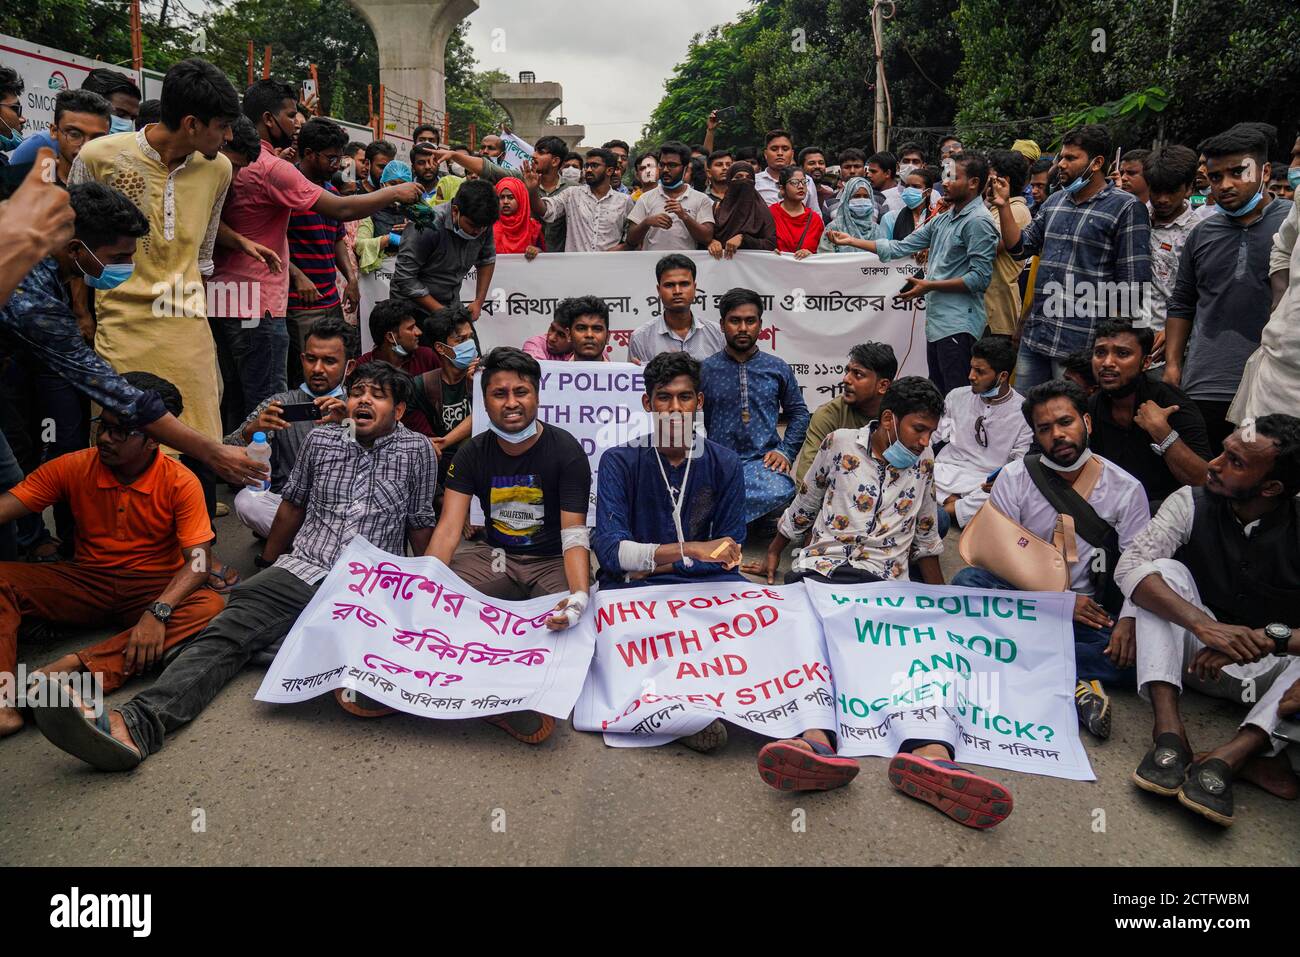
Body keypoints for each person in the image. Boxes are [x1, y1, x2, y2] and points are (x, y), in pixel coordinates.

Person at [33, 362, 438, 770]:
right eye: (358, 392)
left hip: (368, 584)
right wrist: (267, 564)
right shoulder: (321, 440)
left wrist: (425, 590)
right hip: (303, 567)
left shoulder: (419, 450)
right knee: (227, 630)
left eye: (378, 394)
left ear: (399, 410)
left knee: (369, 651)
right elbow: (292, 507)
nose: (364, 399)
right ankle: (135, 723)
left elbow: (421, 523)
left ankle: (284, 649)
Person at [67, 59, 267, 504]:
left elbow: (202, 256)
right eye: (222, 126)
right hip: (121, 328)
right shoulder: (100, 157)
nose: (229, 137)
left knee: (199, 444)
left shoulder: (218, 170)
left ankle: (196, 549)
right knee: (122, 444)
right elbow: (75, 247)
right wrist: (83, 313)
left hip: (188, 329)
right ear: (192, 124)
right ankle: (123, 557)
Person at [745, 377, 949, 798]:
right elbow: (805, 500)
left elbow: (926, 536)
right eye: (919, 429)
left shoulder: (924, 463)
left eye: (931, 432)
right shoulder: (839, 443)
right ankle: (815, 743)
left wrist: (941, 603)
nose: (925, 440)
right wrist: (775, 550)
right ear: (889, 420)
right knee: (806, 644)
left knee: (915, 657)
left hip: (883, 583)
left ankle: (932, 756)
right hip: (821, 572)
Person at [0, 181, 265, 498]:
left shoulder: (33, 248)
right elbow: (112, 390)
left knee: (9, 478)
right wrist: (212, 452)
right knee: (9, 480)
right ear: (74, 249)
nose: (127, 266)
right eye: (118, 256)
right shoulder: (31, 296)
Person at [0, 372, 223, 737]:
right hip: (86, 581)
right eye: (102, 425)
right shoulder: (73, 466)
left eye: (120, 431)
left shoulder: (181, 481)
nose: (105, 437)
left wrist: (159, 610)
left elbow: (199, 563)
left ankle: (69, 670)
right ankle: (3, 701)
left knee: (209, 606)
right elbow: (9, 506)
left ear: (155, 440)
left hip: (150, 589)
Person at [1119, 414, 1300, 825]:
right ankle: (1169, 732)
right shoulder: (1189, 499)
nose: (1214, 464)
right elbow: (1129, 566)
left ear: (1271, 487)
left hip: (1275, 675)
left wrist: (1268, 640)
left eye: (1235, 462)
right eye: (1223, 450)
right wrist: (1203, 625)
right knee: (1161, 573)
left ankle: (1231, 757)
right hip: (1198, 660)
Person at [951, 379, 1151, 739]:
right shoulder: (1015, 477)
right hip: (1026, 601)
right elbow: (1002, 559)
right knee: (967, 584)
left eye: (1066, 423)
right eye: (1045, 429)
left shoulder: (1126, 488)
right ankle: (1073, 676)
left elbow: (1141, 565)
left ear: (1086, 424)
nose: (1057, 435)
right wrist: (1057, 602)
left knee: (1136, 656)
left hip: (1088, 613)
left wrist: (1129, 620)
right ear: (1035, 434)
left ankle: (1005, 656)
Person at [211, 80, 420, 420]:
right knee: (269, 406)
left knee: (234, 399)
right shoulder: (270, 168)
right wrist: (394, 194)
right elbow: (341, 209)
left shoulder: (224, 162)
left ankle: (231, 468)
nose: (297, 122)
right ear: (268, 118)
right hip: (260, 300)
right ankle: (270, 472)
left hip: (222, 296)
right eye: (291, 114)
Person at [424, 347, 590, 744]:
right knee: (434, 608)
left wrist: (580, 596)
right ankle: (485, 695)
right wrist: (425, 583)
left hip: (552, 561)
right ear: (484, 401)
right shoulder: (469, 454)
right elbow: (448, 529)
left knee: (580, 630)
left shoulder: (566, 451)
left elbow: (574, 535)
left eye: (521, 392)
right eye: (500, 394)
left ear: (537, 395)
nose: (511, 403)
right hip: (495, 559)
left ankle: (516, 696)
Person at [992, 124, 1153, 390]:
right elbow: (1020, 247)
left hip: (1082, 346)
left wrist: (1111, 350)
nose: (1061, 165)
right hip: (1038, 337)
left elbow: (1132, 288)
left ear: (1097, 162)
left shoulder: (1126, 207)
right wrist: (1003, 205)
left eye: (1070, 158)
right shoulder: (1055, 202)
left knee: (1071, 422)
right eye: (1061, 157)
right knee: (1026, 417)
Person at [1164, 124, 1292, 456]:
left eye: (1238, 172)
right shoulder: (1201, 233)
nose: (1225, 185)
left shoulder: (1291, 226)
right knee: (1207, 479)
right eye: (1216, 176)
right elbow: (1182, 303)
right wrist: (1174, 364)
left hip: (1271, 385)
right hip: (1204, 382)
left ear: (1264, 171)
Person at [832, 152, 998, 397]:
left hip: (959, 326)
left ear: (973, 183)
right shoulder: (945, 218)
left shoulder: (978, 221)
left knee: (958, 398)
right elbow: (900, 246)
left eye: (952, 176)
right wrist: (852, 241)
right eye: (945, 176)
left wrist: (930, 285)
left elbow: (980, 279)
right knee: (941, 395)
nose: (946, 182)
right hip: (939, 324)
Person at [226, 316, 354, 537]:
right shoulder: (279, 403)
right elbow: (226, 450)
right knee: (248, 501)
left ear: (349, 366)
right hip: (293, 507)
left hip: (347, 509)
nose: (317, 369)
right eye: (311, 359)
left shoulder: (360, 403)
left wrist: (349, 422)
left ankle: (299, 543)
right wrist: (253, 430)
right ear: (302, 358)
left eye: (329, 361)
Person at [700, 288, 810, 526]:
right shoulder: (705, 370)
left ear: (760, 325)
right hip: (717, 463)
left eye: (750, 321)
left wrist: (786, 451)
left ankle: (721, 521)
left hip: (761, 465)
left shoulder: (776, 368)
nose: (742, 328)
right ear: (722, 324)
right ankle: (750, 522)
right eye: (735, 321)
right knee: (693, 492)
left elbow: (799, 413)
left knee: (781, 490)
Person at [1087, 320, 1210, 508]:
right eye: (1100, 353)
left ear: (1145, 362)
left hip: (1171, 511)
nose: (1107, 363)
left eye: (1122, 354)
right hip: (1113, 510)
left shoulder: (1172, 403)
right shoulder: (1091, 407)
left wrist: (1164, 434)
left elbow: (1204, 481)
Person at [284, 118, 361, 387]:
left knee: (335, 375)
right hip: (300, 304)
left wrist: (350, 279)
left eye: (339, 158)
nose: (337, 165)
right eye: (331, 158)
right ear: (308, 154)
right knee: (306, 378)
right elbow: (269, 241)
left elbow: (337, 238)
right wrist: (296, 275)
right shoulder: (285, 186)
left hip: (330, 299)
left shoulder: (330, 191)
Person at [1230, 135, 1300, 425]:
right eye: (1295, 155)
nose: (1295, 166)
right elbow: (1283, 247)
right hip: (1278, 369)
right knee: (1258, 460)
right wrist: (1281, 307)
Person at [932, 335, 1032, 534]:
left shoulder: (1024, 412)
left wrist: (999, 482)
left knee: (1009, 496)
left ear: (1002, 376)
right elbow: (934, 436)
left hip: (983, 484)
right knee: (919, 470)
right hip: (945, 472)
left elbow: (1018, 464)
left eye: (979, 371)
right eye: (971, 368)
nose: (971, 376)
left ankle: (945, 509)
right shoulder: (957, 396)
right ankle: (958, 509)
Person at [430, 136, 572, 252]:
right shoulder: (520, 179)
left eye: (541, 152)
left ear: (555, 161)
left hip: (558, 265)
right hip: (521, 260)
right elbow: (488, 169)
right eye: (535, 151)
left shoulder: (572, 191)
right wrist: (455, 156)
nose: (534, 156)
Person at [392, 178, 499, 322]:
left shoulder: (482, 222)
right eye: (472, 225)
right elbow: (404, 277)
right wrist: (443, 314)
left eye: (483, 227)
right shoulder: (426, 225)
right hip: (411, 310)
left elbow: (487, 259)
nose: (477, 232)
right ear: (455, 211)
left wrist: (479, 301)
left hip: (451, 305)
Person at [794, 342, 897, 482]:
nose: (846, 379)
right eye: (847, 371)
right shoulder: (829, 415)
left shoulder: (900, 418)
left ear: (883, 386)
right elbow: (806, 480)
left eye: (858, 374)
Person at [1143, 145, 1200, 359]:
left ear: (1188, 188)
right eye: (1156, 191)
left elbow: (1201, 294)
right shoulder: (1135, 219)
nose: (1162, 199)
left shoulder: (1198, 231)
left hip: (1170, 345)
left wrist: (1174, 332)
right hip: (1131, 337)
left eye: (1171, 191)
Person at [357, 299, 440, 437]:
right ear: (391, 337)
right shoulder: (363, 366)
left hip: (428, 441)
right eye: (411, 328)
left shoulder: (427, 357)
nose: (418, 332)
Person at [525, 147, 632, 252]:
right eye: (587, 165)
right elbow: (545, 210)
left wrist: (621, 248)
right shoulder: (572, 194)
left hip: (609, 267)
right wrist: (533, 190)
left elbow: (632, 239)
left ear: (609, 171)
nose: (589, 170)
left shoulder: (624, 201)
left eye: (594, 165)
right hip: (574, 267)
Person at [419, 304, 478, 485]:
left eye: (471, 337)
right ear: (441, 348)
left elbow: (488, 417)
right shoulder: (422, 385)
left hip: (481, 465)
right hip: (442, 472)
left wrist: (474, 389)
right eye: (460, 340)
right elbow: (423, 440)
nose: (469, 344)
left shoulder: (487, 376)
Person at [627, 255, 725, 363]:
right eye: (669, 285)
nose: (677, 291)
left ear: (694, 287)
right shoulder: (641, 338)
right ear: (659, 290)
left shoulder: (717, 334)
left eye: (684, 284)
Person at [6, 89, 111, 185]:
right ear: (54, 131)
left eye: (97, 139)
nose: (86, 146)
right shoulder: (20, 184)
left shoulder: (117, 186)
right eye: (75, 135)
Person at [627, 142, 715, 251]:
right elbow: (630, 240)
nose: (665, 170)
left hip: (686, 265)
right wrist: (647, 222)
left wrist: (684, 216)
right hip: (651, 265)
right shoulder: (645, 198)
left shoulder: (701, 199)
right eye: (662, 165)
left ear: (686, 169)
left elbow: (707, 238)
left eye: (672, 165)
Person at [982, 150, 1032, 338]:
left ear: (1004, 181)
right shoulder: (992, 208)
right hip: (984, 311)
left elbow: (984, 247)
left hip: (998, 314)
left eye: (990, 175)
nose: (984, 179)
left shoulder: (1016, 211)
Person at [707, 161, 776, 259]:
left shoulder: (761, 210)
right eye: (738, 177)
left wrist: (744, 239)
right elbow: (705, 237)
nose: (744, 181)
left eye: (749, 178)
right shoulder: (716, 209)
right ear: (729, 181)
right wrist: (712, 242)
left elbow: (770, 243)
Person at [754, 130, 822, 217]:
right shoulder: (754, 182)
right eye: (774, 149)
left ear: (792, 154)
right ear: (766, 154)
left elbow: (815, 214)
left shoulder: (807, 181)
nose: (780, 153)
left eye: (785, 149)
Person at [769, 166, 824, 258]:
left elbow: (824, 252)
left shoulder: (815, 219)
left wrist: (811, 255)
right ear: (782, 188)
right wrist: (768, 252)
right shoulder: (770, 214)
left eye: (804, 182)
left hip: (807, 270)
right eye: (794, 183)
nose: (801, 186)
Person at [818, 175, 877, 252]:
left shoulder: (876, 229)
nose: (862, 200)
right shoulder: (834, 228)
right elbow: (824, 257)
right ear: (846, 199)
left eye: (866, 196)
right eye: (856, 196)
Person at [492, 176, 544, 259]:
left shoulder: (532, 227)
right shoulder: (488, 227)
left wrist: (537, 251)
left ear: (520, 198)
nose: (505, 202)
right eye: (502, 197)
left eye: (511, 197)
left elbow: (545, 255)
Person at [555, 296, 611, 361]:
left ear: (607, 337)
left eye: (597, 329)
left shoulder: (619, 371)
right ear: (569, 334)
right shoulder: (552, 371)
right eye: (581, 328)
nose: (589, 335)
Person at [866, 150, 903, 219]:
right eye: (869, 171)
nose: (868, 175)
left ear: (887, 173)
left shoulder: (903, 196)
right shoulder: (868, 194)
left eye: (873, 171)